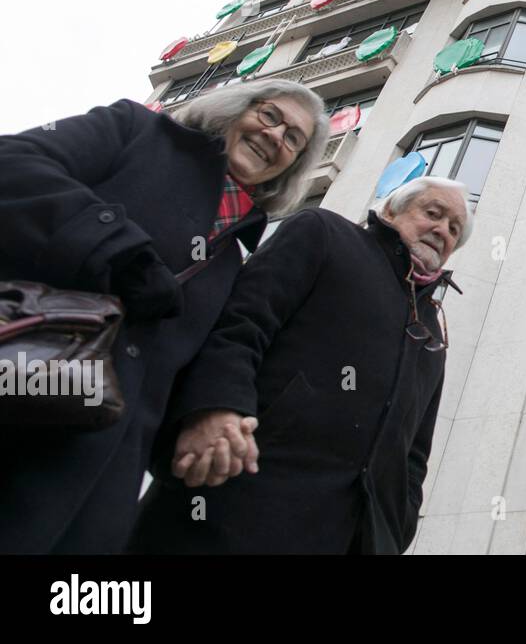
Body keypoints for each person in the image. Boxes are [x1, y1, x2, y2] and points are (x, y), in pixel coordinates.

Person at [0, 81, 328, 553]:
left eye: (294, 139)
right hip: (19, 387)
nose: (277, 136)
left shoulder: (236, 261)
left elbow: (177, 371)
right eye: (271, 116)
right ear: (236, 108)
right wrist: (119, 251)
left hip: (94, 483)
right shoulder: (136, 129)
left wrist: (210, 423)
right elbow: (13, 163)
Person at [129, 176, 472, 554]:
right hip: (232, 497)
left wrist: (396, 524)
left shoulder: (433, 335)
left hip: (344, 537)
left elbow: (415, 453)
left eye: (454, 229)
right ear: (391, 210)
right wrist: (213, 407)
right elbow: (239, 324)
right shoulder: (323, 233)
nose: (441, 230)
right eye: (433, 213)